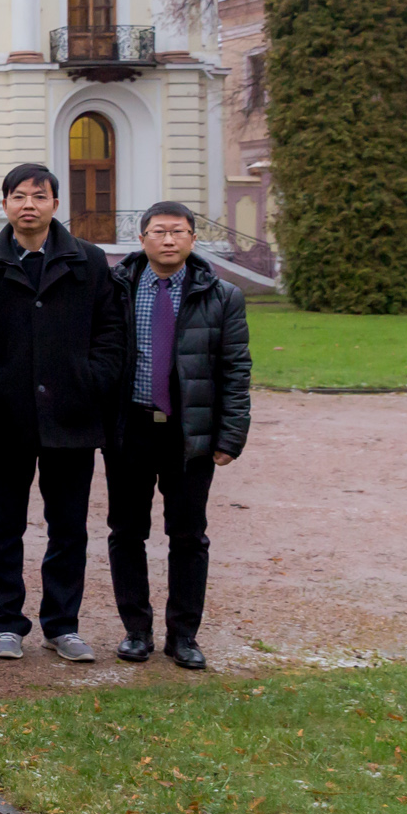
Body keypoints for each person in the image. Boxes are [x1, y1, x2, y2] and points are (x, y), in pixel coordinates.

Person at [0, 162, 128, 664]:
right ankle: (7, 621)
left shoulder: (91, 263)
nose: (28, 204)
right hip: (7, 419)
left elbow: (111, 335)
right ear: (5, 204)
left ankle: (62, 623)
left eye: (39, 195)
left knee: (69, 527)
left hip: (73, 418)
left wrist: (89, 381)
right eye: (18, 196)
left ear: (57, 204)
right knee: (3, 525)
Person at [105, 201, 251, 670]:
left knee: (188, 536)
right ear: (142, 237)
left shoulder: (222, 295)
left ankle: (184, 635)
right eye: (159, 232)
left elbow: (235, 369)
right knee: (127, 532)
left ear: (193, 239)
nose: (169, 240)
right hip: (131, 428)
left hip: (190, 436)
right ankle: (136, 631)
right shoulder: (117, 289)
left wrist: (230, 436)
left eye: (179, 232)